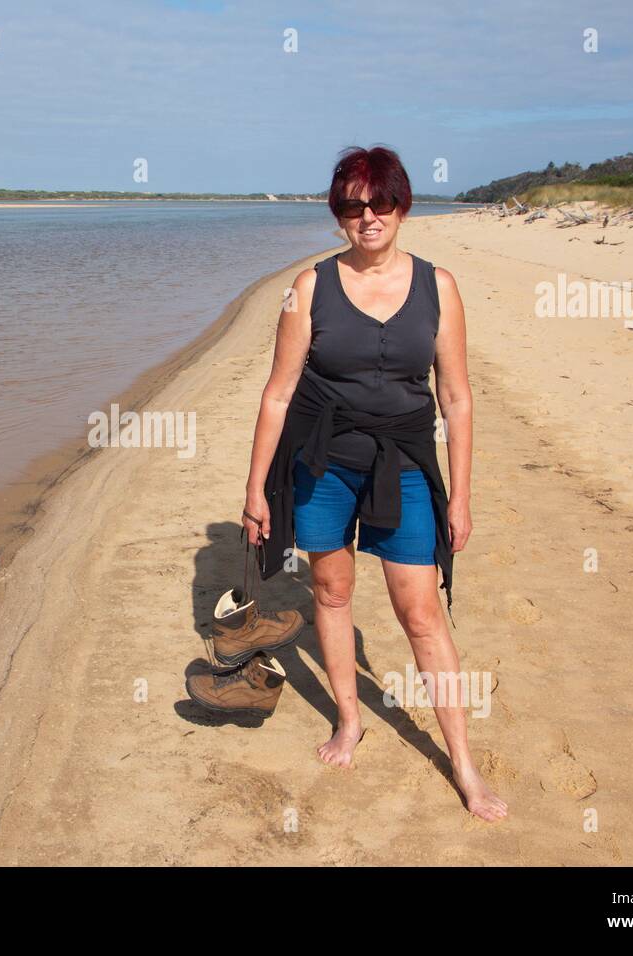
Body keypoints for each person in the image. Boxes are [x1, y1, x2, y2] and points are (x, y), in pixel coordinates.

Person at [240, 146, 508, 822]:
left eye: (380, 203)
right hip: (325, 465)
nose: (367, 217)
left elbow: (458, 395)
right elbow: (278, 394)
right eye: (352, 206)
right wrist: (253, 492)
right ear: (338, 214)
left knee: (420, 611)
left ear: (402, 205)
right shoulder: (309, 287)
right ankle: (350, 720)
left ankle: (465, 766)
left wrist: (464, 495)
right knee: (330, 591)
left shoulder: (438, 286)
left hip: (408, 466)